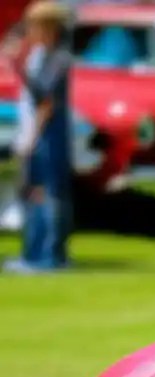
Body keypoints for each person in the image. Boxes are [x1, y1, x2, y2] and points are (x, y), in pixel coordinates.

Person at [5, 1, 74, 275]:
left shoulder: (58, 58)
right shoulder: (38, 56)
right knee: (32, 194)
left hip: (48, 135)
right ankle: (32, 253)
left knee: (49, 195)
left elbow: (45, 101)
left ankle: (50, 255)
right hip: (34, 132)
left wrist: (31, 139)